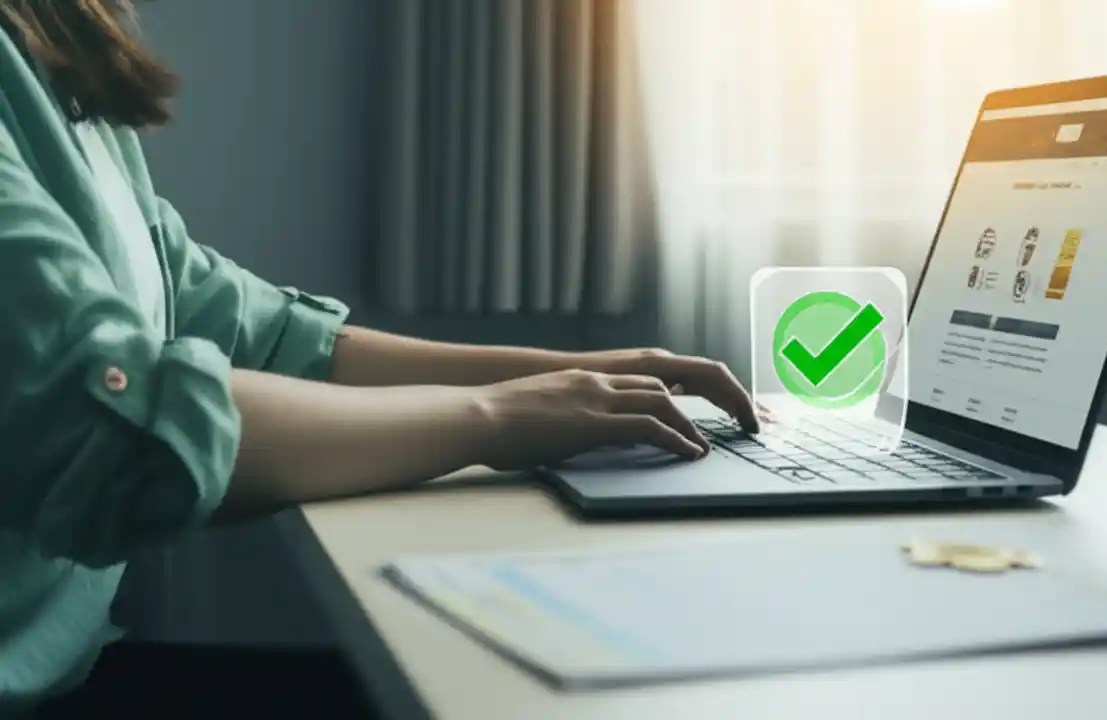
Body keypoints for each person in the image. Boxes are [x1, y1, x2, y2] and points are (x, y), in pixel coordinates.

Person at [0, 1, 758, 716]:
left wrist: (562, 379)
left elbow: (230, 321)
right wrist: (496, 419)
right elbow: (109, 429)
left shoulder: (52, 35)